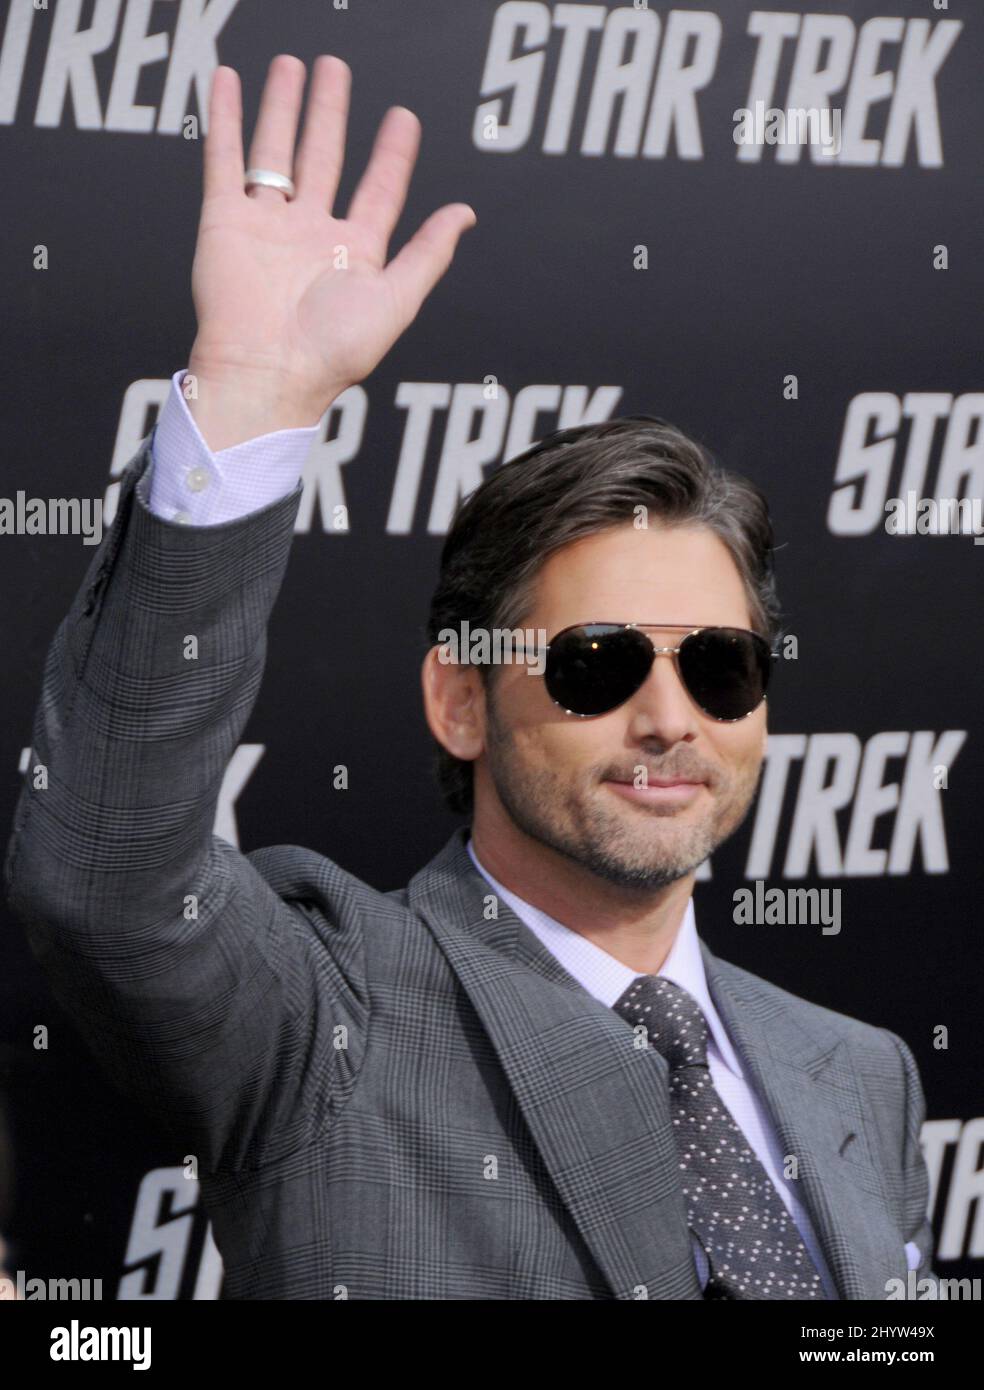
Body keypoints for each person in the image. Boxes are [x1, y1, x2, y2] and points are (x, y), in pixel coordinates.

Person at [4, 54, 937, 1301]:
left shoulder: (859, 1071)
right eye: (597, 664)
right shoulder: (330, 1010)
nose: (669, 718)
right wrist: (249, 398)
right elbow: (107, 876)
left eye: (721, 668)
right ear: (459, 696)